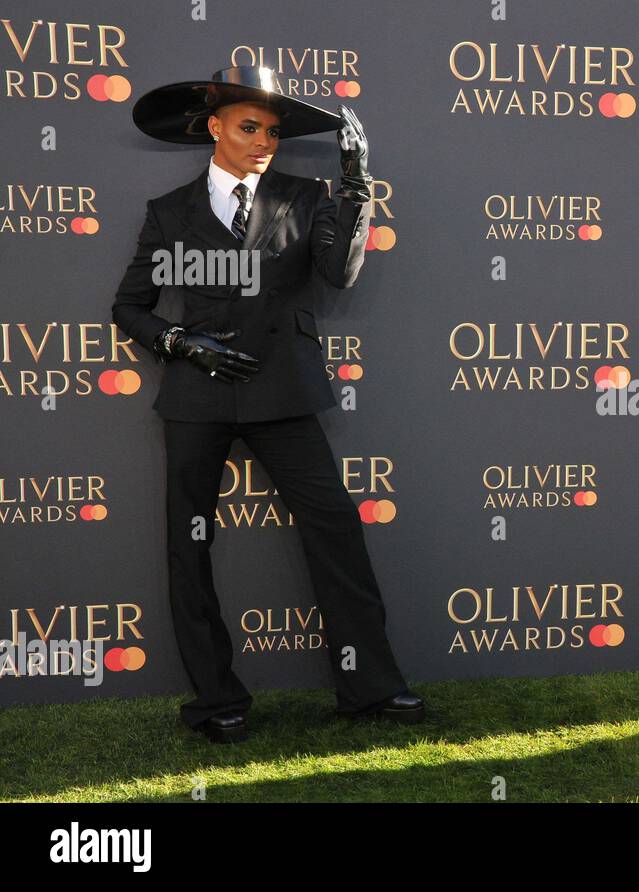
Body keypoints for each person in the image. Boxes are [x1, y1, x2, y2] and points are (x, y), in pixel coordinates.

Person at [112, 66, 424, 742]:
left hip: (282, 390)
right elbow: (129, 307)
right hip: (197, 396)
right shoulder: (169, 211)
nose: (263, 141)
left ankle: (371, 687)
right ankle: (215, 700)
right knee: (189, 545)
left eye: (274, 132)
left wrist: (355, 183)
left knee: (335, 528)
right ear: (214, 126)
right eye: (250, 127)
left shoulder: (305, 196)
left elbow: (339, 273)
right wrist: (181, 344)